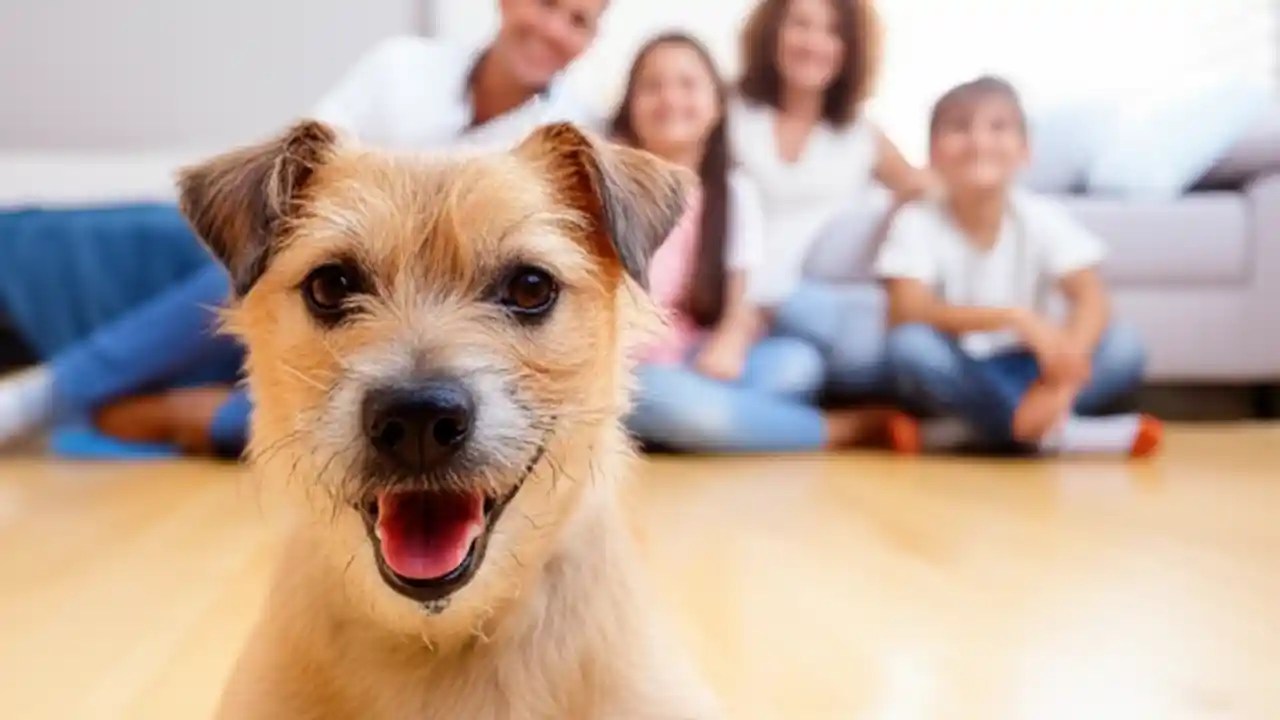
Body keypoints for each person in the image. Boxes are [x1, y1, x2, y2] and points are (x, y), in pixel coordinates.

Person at [0, 0, 609, 456]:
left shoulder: (571, 132)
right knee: (250, 269)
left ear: (590, 43)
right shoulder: (403, 67)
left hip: (368, 365)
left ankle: (178, 411)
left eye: (578, 21)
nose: (555, 28)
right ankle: (58, 395)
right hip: (319, 313)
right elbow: (299, 180)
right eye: (547, 3)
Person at [613, 33, 885, 452]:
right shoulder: (610, 186)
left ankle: (705, 421)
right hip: (628, 372)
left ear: (718, 105)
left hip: (691, 359)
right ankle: (831, 431)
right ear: (630, 104)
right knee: (649, 394)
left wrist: (727, 344)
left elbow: (740, 303)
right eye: (652, 86)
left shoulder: (733, 193)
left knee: (798, 364)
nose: (670, 98)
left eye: (687, 84)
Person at [877, 77, 1162, 456]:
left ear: (1025, 150)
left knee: (1124, 345)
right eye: (959, 128)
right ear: (932, 153)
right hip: (965, 367)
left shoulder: (1041, 216)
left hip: (1035, 369)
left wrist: (1061, 376)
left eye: (998, 128)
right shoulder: (917, 221)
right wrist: (1013, 318)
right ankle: (1058, 434)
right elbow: (907, 310)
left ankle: (970, 433)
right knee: (910, 348)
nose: (979, 142)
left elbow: (1091, 297)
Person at [729, 0, 934, 398]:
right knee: (793, 371)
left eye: (833, 32)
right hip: (735, 307)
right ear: (772, 31)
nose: (814, 43)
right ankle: (853, 422)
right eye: (800, 25)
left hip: (810, 311)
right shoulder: (733, 112)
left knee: (810, 346)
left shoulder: (862, 136)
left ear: (851, 49)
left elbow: (925, 188)